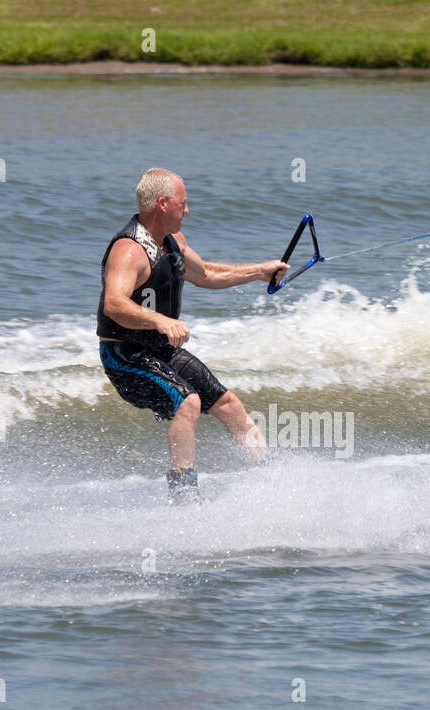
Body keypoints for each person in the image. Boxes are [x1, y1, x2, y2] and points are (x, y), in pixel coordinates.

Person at [96, 168, 287, 502]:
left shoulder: (174, 242)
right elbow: (114, 303)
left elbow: (208, 274)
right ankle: (184, 494)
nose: (188, 210)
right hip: (123, 355)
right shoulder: (129, 251)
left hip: (158, 349)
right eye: (182, 204)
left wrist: (260, 272)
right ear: (162, 203)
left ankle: (274, 477)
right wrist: (158, 319)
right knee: (188, 402)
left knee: (228, 404)